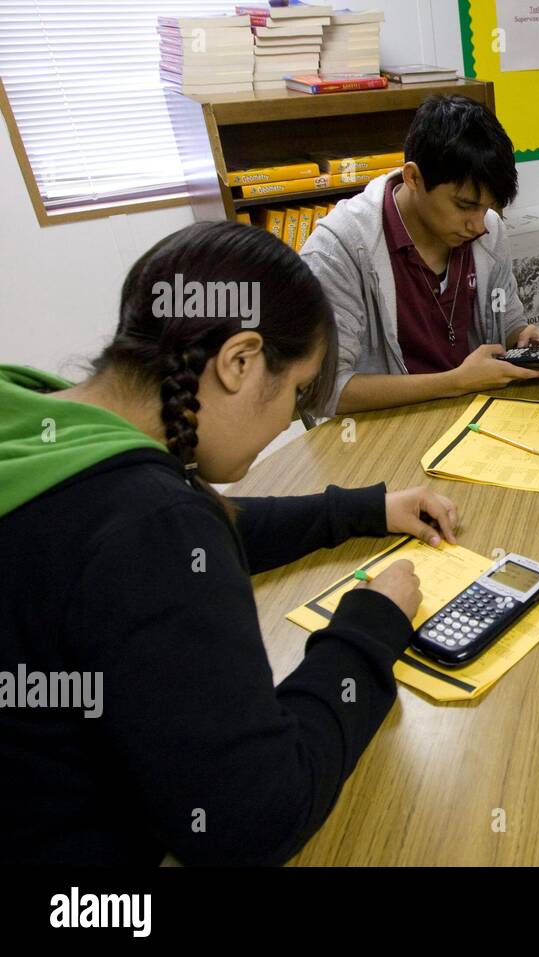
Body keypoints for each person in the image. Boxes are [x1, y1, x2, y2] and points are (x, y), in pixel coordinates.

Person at [0, 221, 458, 865]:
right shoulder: (150, 528)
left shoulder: (33, 413)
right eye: (297, 391)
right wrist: (371, 627)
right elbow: (256, 818)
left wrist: (363, 510)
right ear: (240, 362)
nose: (289, 415)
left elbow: (188, 529)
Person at [301, 94, 539, 416]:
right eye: (465, 205)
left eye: (488, 207)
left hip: (475, 413)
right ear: (413, 178)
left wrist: (521, 335)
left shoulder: (488, 230)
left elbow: (508, 319)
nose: (478, 225)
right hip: (383, 428)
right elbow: (322, 390)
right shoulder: (339, 250)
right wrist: (456, 382)